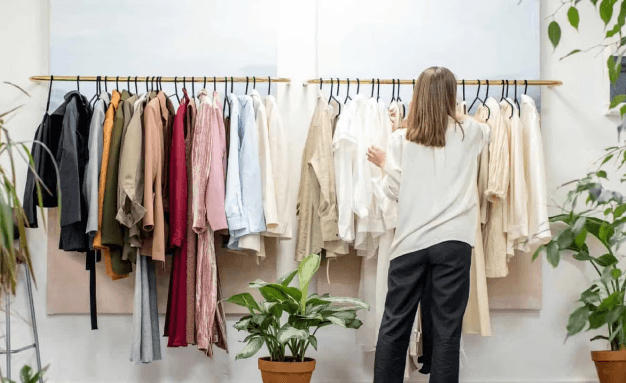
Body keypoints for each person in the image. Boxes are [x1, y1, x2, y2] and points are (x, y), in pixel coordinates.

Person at [371, 67, 490, 383]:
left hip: (410, 243)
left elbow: (394, 190)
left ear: (418, 95)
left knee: (394, 325)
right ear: (453, 95)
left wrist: (385, 164)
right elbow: (481, 130)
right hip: (454, 243)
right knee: (447, 330)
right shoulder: (472, 132)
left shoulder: (401, 140)